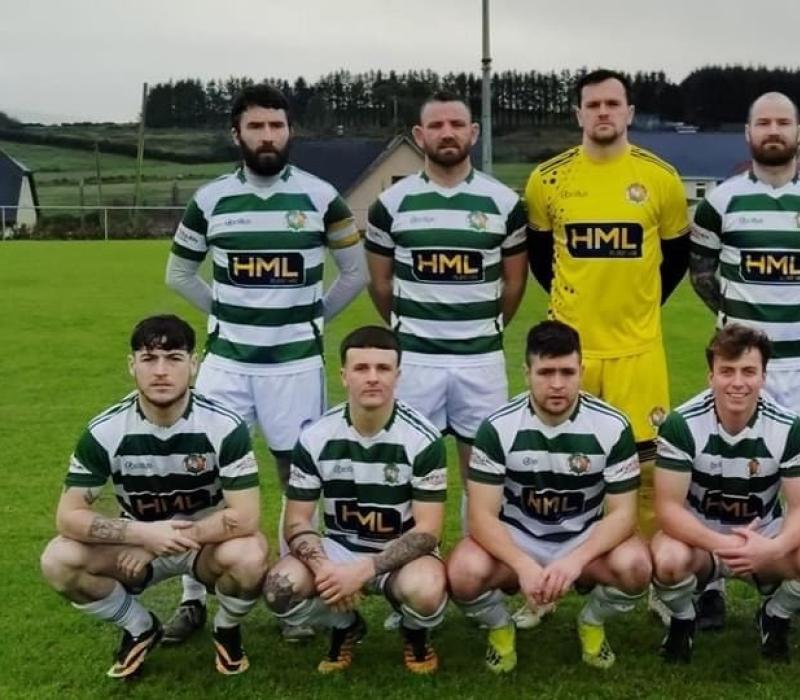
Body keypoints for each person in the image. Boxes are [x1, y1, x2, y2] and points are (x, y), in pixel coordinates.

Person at [165, 83, 366, 642]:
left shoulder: (321, 196)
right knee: (202, 474)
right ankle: (191, 595)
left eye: (277, 126)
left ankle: (289, 594)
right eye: (256, 127)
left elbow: (354, 273)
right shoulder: (209, 200)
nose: (268, 136)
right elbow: (178, 275)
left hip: (295, 366)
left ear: (289, 130)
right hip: (227, 364)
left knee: (296, 478)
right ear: (238, 134)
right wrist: (225, 315)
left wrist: (312, 318)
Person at [688, 91, 800, 629]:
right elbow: (703, 276)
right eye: (764, 122)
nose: (774, 130)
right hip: (737, 366)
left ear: (799, 131)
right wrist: (740, 333)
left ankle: (792, 576)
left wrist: (799, 318)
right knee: (715, 468)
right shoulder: (722, 200)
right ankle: (709, 581)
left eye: (784, 122)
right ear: (748, 132)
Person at [40, 315, 266, 679]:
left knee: (250, 555)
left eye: (174, 358)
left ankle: (226, 629)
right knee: (58, 560)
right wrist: (142, 535)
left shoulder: (225, 426)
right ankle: (140, 627)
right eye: (149, 358)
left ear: (194, 364)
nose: (161, 371)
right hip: (136, 543)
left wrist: (158, 542)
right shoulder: (105, 430)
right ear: (132, 366)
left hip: (204, 544)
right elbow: (69, 516)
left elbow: (246, 516)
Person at [524, 67, 690, 534]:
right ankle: (560, 554)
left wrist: (642, 304)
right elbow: (542, 258)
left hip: (638, 350)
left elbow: (676, 257)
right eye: (593, 104)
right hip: (572, 350)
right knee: (561, 462)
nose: (603, 112)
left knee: (647, 470)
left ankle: (649, 574)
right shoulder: (547, 179)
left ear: (629, 112)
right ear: (578, 112)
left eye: (612, 103)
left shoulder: (660, 179)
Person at [447, 321, 651, 673]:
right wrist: (523, 565)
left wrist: (574, 561)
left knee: (636, 566)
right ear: (526, 372)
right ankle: (500, 626)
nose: (557, 384)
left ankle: (591, 621)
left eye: (567, 372)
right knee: (463, 572)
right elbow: (481, 516)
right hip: (519, 538)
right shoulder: (497, 427)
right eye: (545, 372)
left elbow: (623, 515)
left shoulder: (612, 425)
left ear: (581, 370)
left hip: (582, 539)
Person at [365, 91, 526, 520]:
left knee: (485, 472)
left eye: (456, 124)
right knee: (412, 465)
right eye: (436, 125)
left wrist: (485, 329)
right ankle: (419, 569)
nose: (447, 133)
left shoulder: (504, 203)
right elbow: (380, 283)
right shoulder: (391, 205)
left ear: (473, 132)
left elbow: (514, 284)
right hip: (416, 359)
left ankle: (478, 575)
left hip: (481, 361)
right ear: (419, 135)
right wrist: (410, 329)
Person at [262, 326, 447, 673]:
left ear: (398, 375)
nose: (373, 378)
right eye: (362, 368)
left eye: (383, 368)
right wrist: (328, 571)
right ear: (344, 376)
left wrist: (362, 572)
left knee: (427, 590)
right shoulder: (316, 436)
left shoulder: (423, 439)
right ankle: (346, 626)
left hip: (403, 551)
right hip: (340, 549)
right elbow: (297, 520)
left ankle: (414, 632)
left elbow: (429, 531)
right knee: (279, 590)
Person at [651, 324, 800, 663]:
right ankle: (682, 618)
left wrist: (773, 548)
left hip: (763, 534)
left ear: (763, 377)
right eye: (727, 372)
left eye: (749, 371)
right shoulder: (681, 423)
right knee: (667, 560)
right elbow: (668, 510)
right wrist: (723, 544)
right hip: (700, 536)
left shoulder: (788, 427)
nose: (738, 383)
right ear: (711, 376)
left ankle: (774, 615)